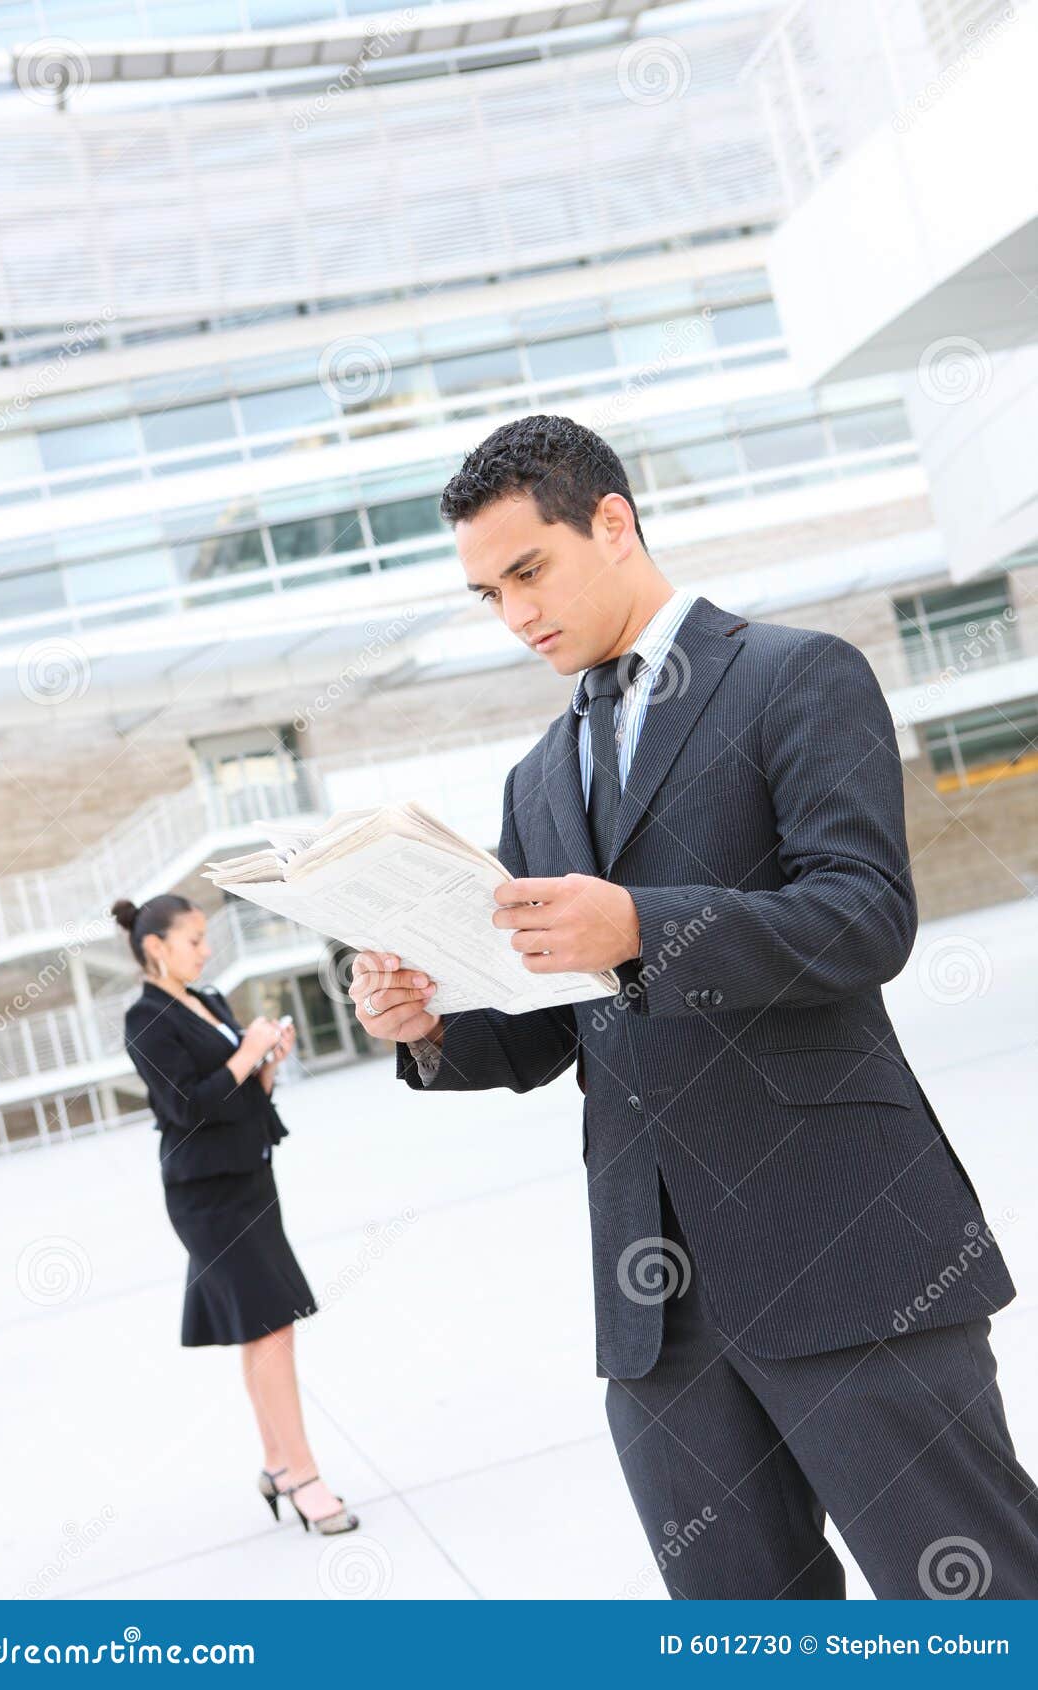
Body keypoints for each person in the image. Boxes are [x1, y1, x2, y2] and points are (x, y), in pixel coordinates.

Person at [349, 413, 1038, 1598]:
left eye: (528, 571)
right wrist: (426, 1026)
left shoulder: (794, 675)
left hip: (844, 1254)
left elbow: (863, 914)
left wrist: (640, 926)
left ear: (611, 523)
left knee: (973, 1611)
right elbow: (551, 1020)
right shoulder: (534, 777)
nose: (514, 615)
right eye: (487, 594)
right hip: (655, 1313)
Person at [116, 892, 358, 1537]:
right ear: (155, 947)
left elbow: (239, 1097)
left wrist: (266, 1065)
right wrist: (248, 1052)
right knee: (272, 1326)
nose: (206, 949)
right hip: (209, 1199)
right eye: (194, 940)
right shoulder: (145, 1019)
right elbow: (187, 1109)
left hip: (250, 1181)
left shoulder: (211, 999)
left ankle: (279, 1466)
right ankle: (305, 1477)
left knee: (263, 1328)